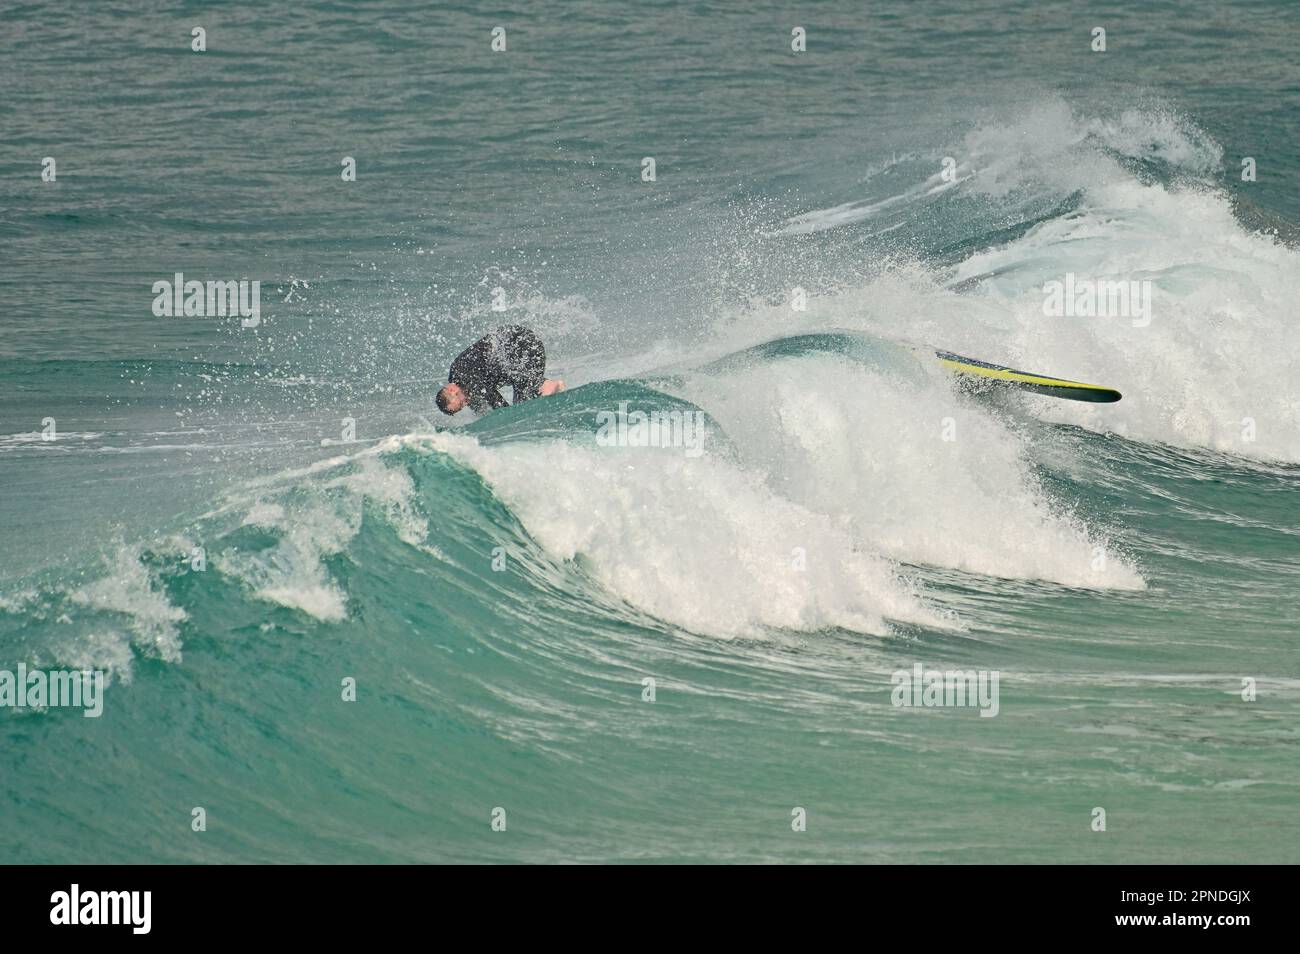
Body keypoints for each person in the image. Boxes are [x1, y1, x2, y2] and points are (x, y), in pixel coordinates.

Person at [435, 325, 565, 415]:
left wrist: (507, 418)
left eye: (462, 401)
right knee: (523, 402)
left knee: (521, 403)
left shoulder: (465, 377)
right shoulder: (463, 384)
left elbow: (492, 397)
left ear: (452, 389)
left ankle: (544, 384)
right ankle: (544, 388)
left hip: (522, 343)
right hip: (522, 347)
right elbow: (481, 409)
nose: (466, 402)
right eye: (462, 406)